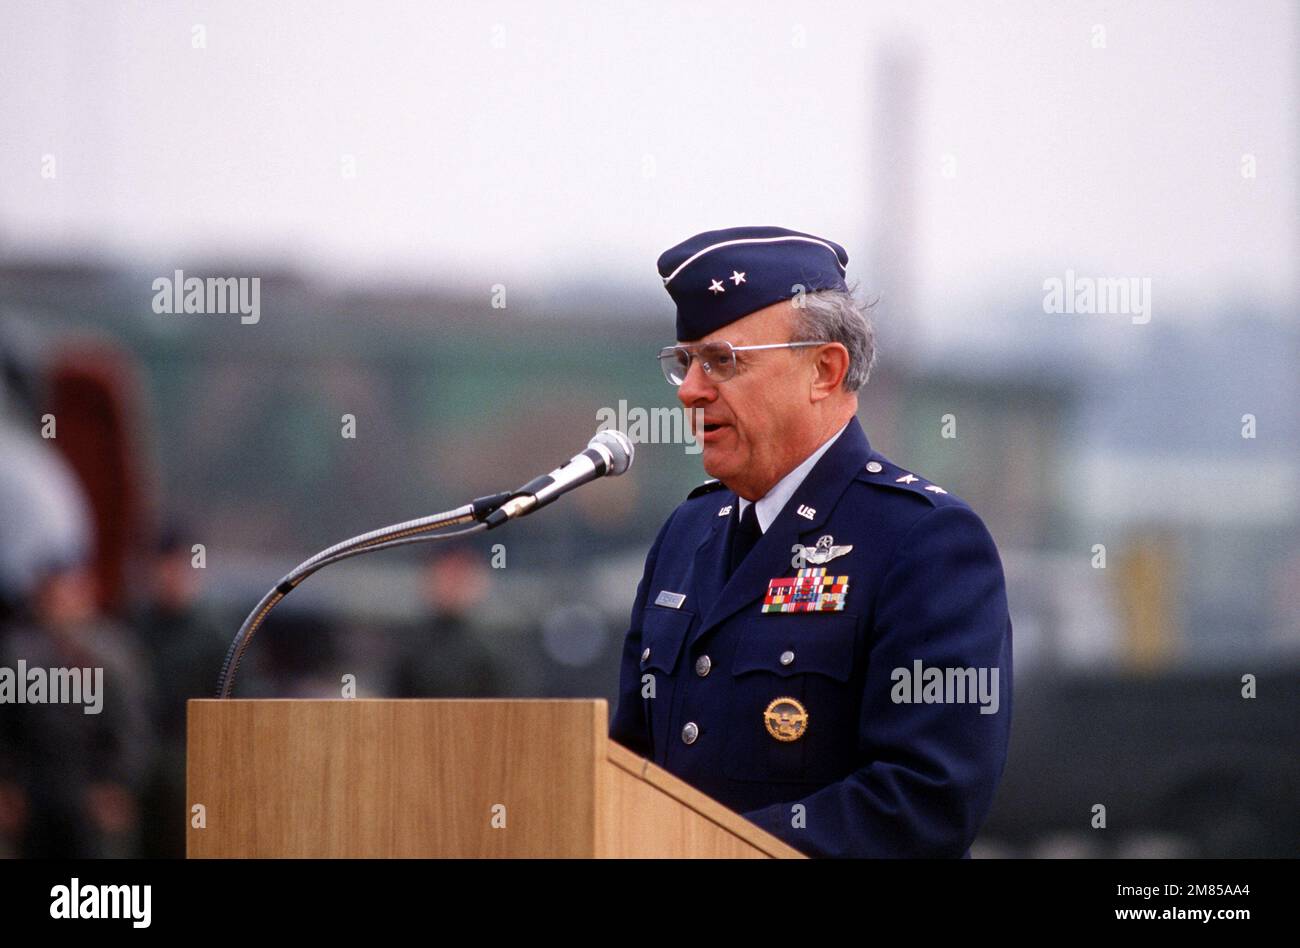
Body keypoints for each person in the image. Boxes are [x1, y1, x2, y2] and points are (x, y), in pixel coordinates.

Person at [609, 225, 1013, 858]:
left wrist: (705, 850)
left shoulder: (924, 540)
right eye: (685, 362)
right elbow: (630, 762)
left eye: (723, 361)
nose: (690, 389)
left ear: (825, 370)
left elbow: (926, 801)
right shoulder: (687, 532)